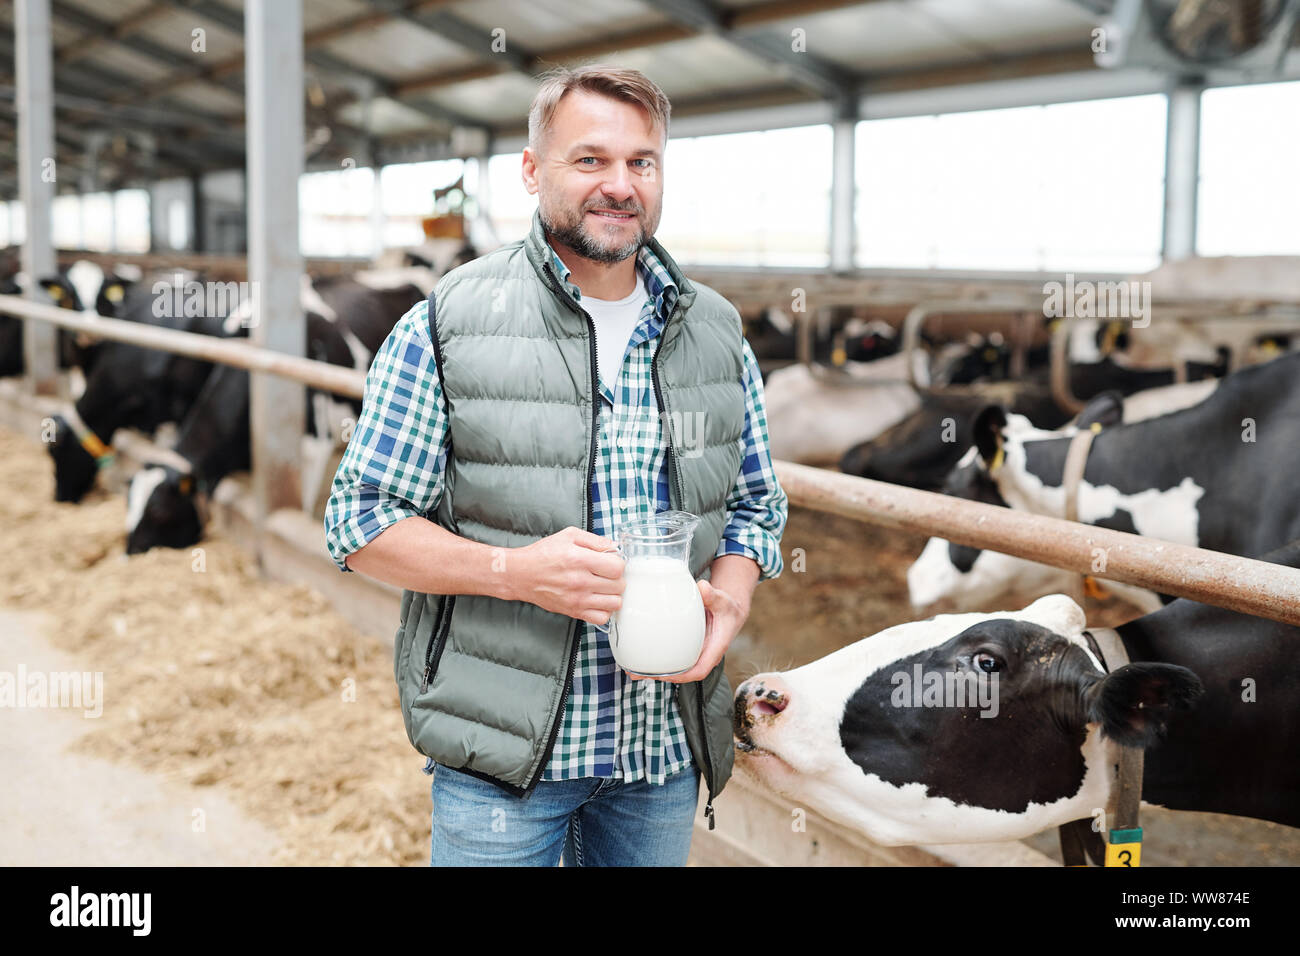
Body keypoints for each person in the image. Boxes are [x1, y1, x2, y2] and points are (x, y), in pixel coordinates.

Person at [324, 64, 787, 867]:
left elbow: (754, 506)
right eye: (590, 160)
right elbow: (359, 521)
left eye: (642, 162)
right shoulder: (450, 320)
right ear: (534, 172)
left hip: (661, 751)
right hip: (504, 760)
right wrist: (512, 570)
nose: (620, 185)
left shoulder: (714, 329)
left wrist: (733, 604)